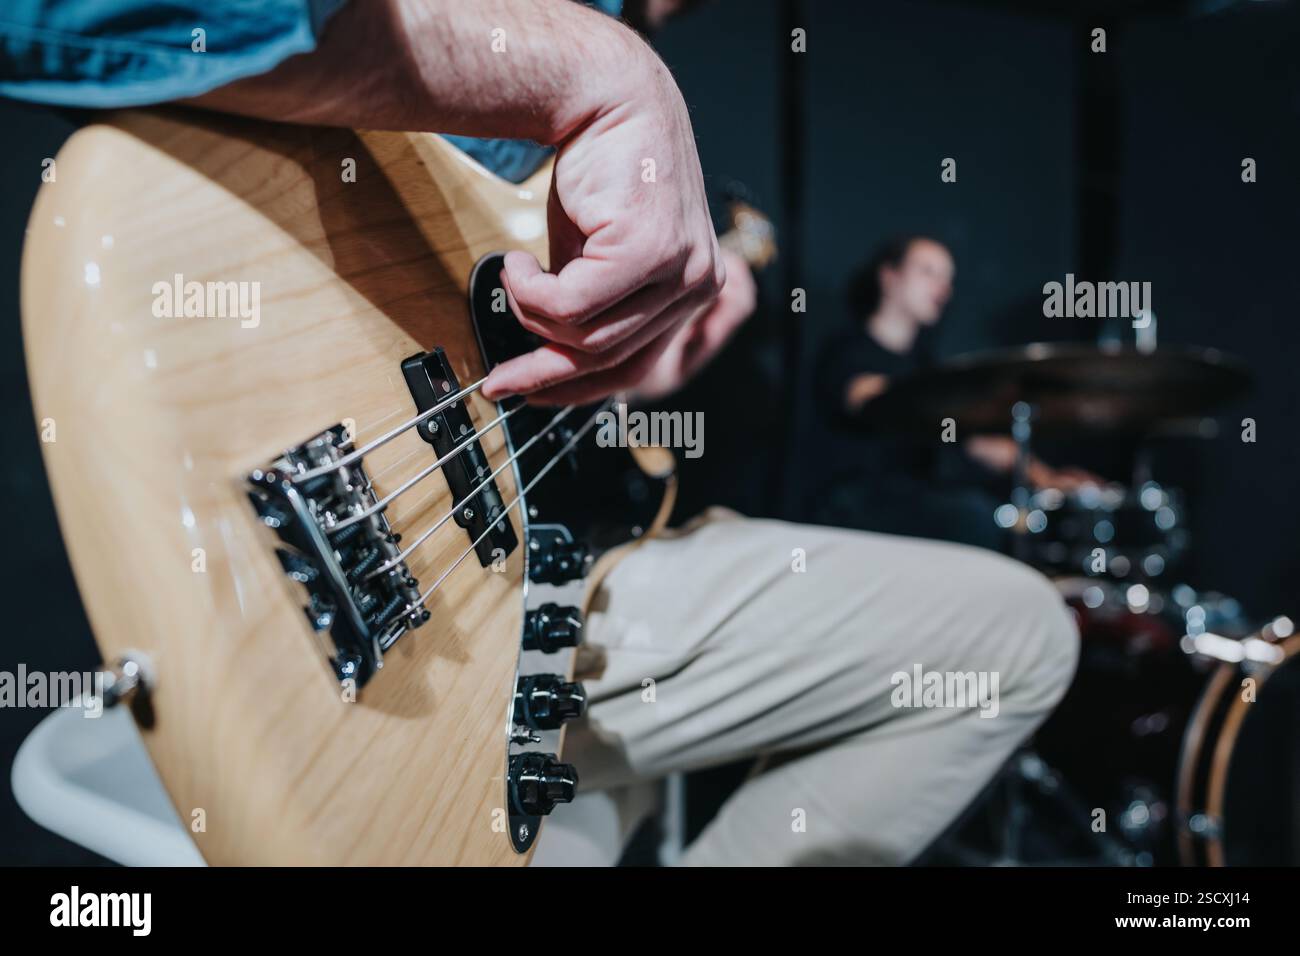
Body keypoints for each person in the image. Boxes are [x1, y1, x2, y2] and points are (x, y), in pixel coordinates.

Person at [0, 0, 1077, 865]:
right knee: (1018, 641)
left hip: (500, 565)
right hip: (382, 576)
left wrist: (631, 363)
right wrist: (591, 67)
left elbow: (516, 376)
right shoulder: (587, 43)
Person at [812, 235, 1099, 549]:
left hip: (920, 499)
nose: (942, 288)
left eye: (948, 279)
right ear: (890, 276)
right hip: (856, 503)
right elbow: (864, 396)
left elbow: (980, 443)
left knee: (1003, 515)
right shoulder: (850, 351)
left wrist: (1048, 479)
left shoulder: (924, 365)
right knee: (973, 518)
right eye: (928, 272)